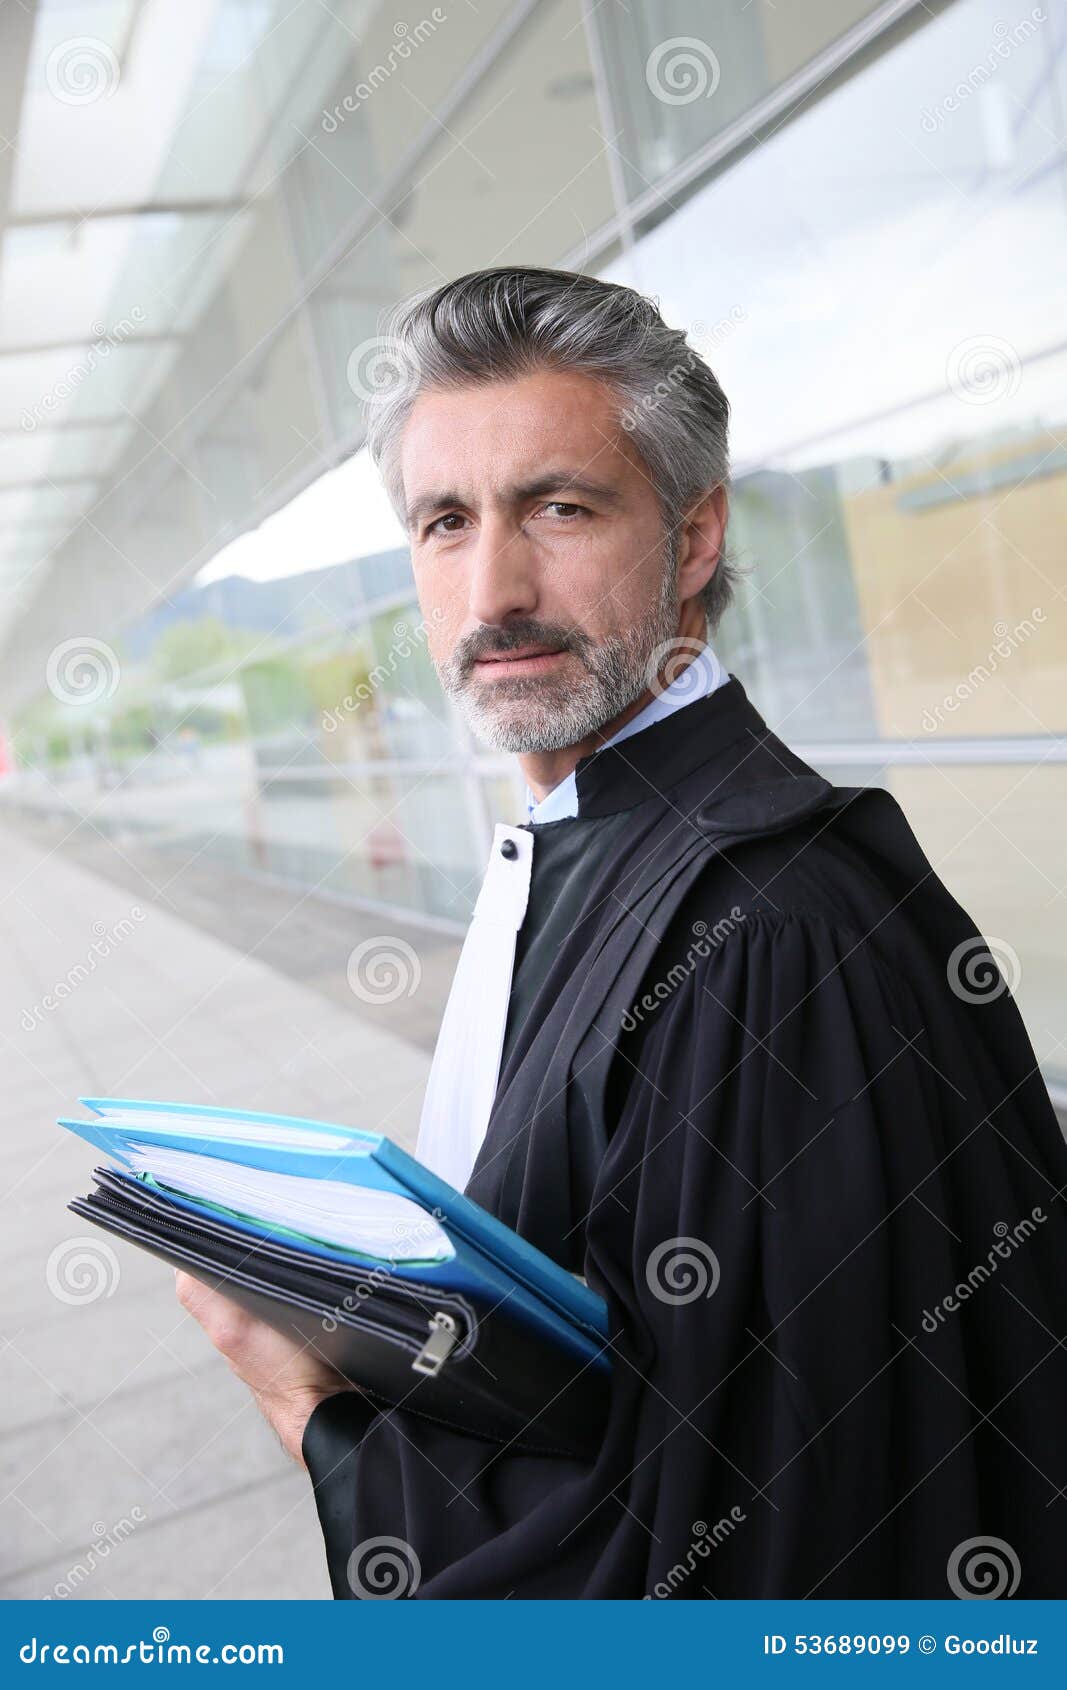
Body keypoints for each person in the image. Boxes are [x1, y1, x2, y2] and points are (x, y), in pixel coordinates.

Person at [177, 267, 1067, 1600]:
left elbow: (719, 1553)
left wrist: (310, 1408)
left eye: (559, 506)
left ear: (693, 538)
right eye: (443, 521)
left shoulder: (766, 935)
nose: (493, 591)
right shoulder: (575, 843)